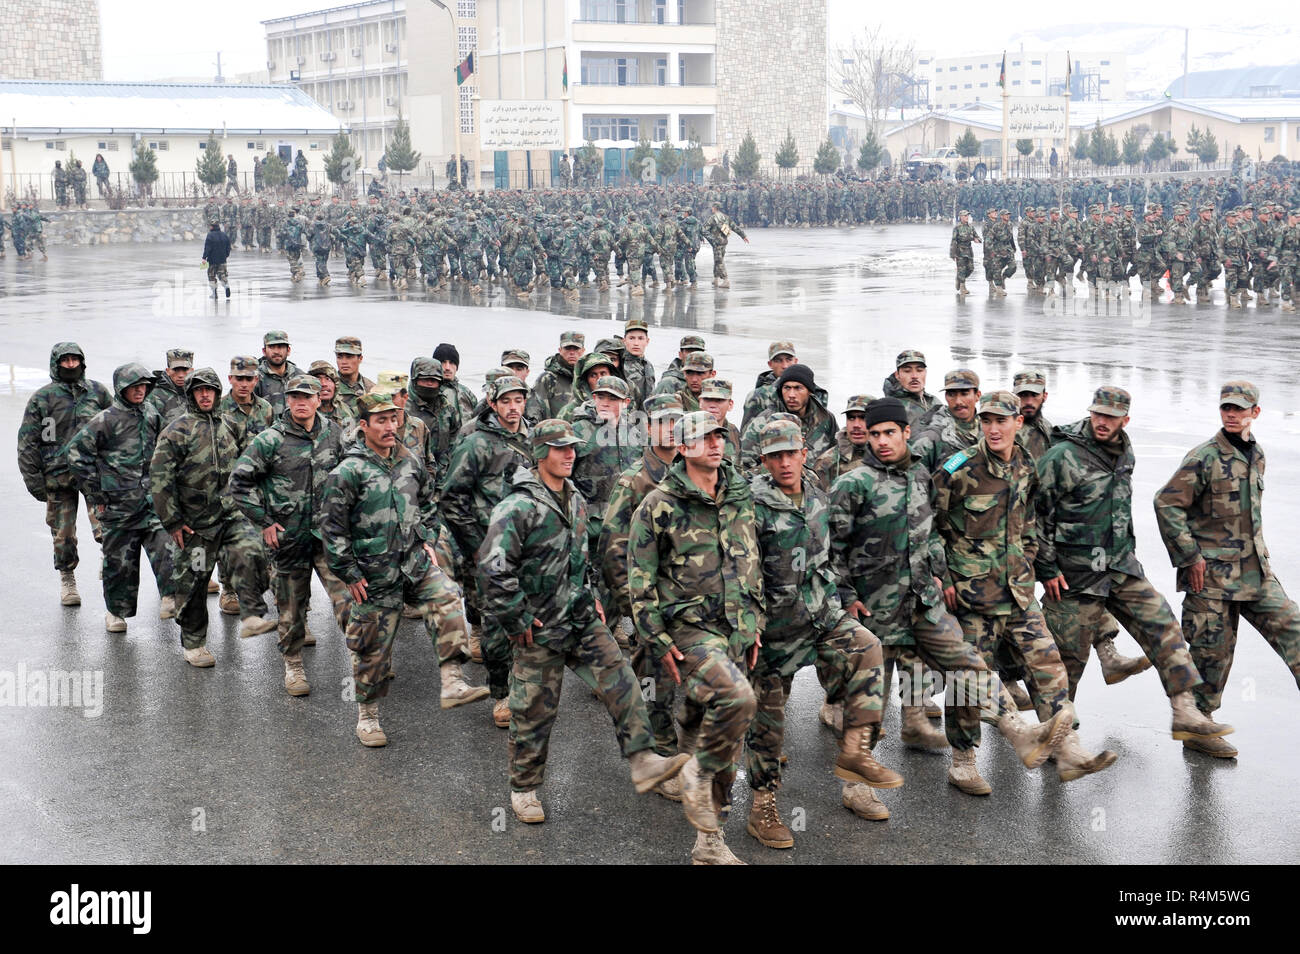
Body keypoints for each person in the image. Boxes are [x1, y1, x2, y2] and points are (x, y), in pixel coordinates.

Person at [827, 397, 1071, 796]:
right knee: (869, 701)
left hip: (923, 603)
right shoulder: (854, 484)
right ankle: (857, 790)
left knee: (971, 665)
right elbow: (830, 548)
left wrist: (941, 575)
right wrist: (845, 595)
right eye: (874, 434)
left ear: (907, 433)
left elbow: (933, 534)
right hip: (874, 610)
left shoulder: (922, 477)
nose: (882, 441)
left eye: (890, 432)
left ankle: (1020, 733)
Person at [479, 418, 689, 823]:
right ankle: (525, 789)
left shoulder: (573, 496)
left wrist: (590, 595)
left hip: (580, 618)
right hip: (539, 628)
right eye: (559, 448)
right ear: (540, 453)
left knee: (623, 681)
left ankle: (644, 759)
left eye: (572, 447)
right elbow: (492, 570)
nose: (570, 454)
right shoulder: (517, 506)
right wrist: (516, 616)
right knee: (534, 713)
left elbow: (580, 558)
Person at [932, 391, 1118, 786]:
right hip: (972, 594)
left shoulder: (1025, 465)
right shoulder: (958, 469)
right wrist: (944, 577)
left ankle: (1067, 748)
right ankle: (963, 759)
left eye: (1002, 421)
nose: (994, 429)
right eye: (987, 421)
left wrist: (1029, 556)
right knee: (970, 679)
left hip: (1017, 589)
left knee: (1049, 665)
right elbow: (928, 527)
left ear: (1019, 422)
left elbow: (1028, 519)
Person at [1035, 386, 1235, 743]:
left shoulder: (1124, 450)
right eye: (1098, 414)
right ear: (1090, 413)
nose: (1102, 422)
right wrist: (1047, 568)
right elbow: (1034, 515)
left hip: (1121, 569)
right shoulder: (1062, 456)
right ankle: (1060, 741)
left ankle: (1185, 711)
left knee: (1163, 625)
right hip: (1075, 576)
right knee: (1066, 662)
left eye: (1111, 417)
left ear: (1125, 420)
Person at [746, 418, 903, 844]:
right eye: (774, 456)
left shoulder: (817, 494)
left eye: (790, 453)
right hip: (774, 629)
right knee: (768, 726)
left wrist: (843, 594)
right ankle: (762, 805)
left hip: (820, 616)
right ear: (764, 460)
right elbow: (740, 572)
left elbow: (829, 555)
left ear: (803, 453)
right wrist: (746, 627)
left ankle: (856, 758)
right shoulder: (750, 504)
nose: (784, 463)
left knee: (868, 648)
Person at [627, 411, 764, 865]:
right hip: (689, 632)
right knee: (738, 701)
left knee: (726, 732)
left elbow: (751, 563)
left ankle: (708, 841)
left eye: (718, 436)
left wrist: (754, 623)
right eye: (703, 438)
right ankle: (697, 775)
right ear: (682, 447)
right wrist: (657, 640)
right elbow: (639, 582)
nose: (715, 444)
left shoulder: (738, 495)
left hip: (736, 633)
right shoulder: (658, 505)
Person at [321, 392, 488, 746]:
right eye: (380, 420)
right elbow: (332, 529)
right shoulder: (348, 472)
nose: (389, 426)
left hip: (414, 563)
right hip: (374, 575)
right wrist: (349, 574)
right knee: (372, 651)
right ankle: (368, 717)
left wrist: (427, 535)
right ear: (363, 425)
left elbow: (429, 501)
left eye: (393, 419)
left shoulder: (409, 461)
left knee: (446, 597)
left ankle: (452, 680)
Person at [1154, 381, 1300, 759]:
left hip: (1255, 574)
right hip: (1212, 580)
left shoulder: (1257, 455)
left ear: (1255, 412)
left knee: (1294, 630)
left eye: (1239, 408)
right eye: (1226, 408)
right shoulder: (1203, 457)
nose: (1231, 414)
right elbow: (1167, 503)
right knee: (1211, 658)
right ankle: (1199, 728)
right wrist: (1190, 557)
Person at [227, 375, 352, 697]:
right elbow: (239, 482)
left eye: (306, 396)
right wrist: (264, 521)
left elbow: (351, 475)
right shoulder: (270, 440)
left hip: (329, 537)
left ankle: (363, 656)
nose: (300, 401)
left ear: (317, 400)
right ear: (288, 400)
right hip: (288, 539)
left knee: (350, 600)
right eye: (294, 396)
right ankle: (293, 664)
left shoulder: (335, 434)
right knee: (292, 609)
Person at [151, 368, 276, 666]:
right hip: (195, 525)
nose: (205, 395)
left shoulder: (230, 425)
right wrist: (172, 522)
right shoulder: (176, 431)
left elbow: (249, 465)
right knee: (193, 584)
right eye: (199, 390)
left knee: (252, 553)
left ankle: (252, 614)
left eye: (210, 390)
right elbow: (160, 479)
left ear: (217, 393)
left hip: (231, 516)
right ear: (191, 394)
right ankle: (194, 643)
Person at [441, 375, 535, 725]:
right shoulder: (476, 443)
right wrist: (477, 546)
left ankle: (527, 686)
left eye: (519, 400)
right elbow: (452, 499)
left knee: (530, 619)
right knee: (496, 627)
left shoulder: (533, 438)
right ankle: (502, 694)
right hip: (491, 550)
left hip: (529, 546)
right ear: (493, 404)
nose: (513, 408)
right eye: (506, 401)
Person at [66, 364, 178, 633]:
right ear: (121, 389)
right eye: (134, 386)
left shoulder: (151, 413)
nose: (140, 391)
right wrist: (96, 492)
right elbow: (76, 454)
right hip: (118, 506)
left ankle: (170, 597)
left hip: (151, 502)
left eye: (143, 386)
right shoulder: (106, 420)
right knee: (119, 564)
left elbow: (165, 448)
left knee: (167, 549)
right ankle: (116, 612)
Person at [17, 343, 112, 607]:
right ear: (56, 363)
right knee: (64, 535)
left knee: (107, 525)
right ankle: (67, 578)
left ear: (82, 362)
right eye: (65, 361)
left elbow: (118, 427)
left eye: (74, 360)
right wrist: (33, 480)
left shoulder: (97, 392)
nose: (70, 365)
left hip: (95, 474)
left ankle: (111, 564)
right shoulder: (42, 399)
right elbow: (27, 442)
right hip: (57, 477)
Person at [525, 331, 585, 422]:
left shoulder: (588, 378)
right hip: (555, 432)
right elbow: (535, 411)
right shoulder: (547, 379)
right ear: (560, 350)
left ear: (583, 351)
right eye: (567, 348)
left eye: (576, 349)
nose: (572, 352)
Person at [254, 330, 302, 417]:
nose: (276, 351)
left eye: (280, 347)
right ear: (264, 351)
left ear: (288, 350)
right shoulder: (255, 378)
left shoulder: (300, 377)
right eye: (272, 347)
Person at [704, 200, 749, 288]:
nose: (711, 209)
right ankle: (716, 278)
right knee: (718, 259)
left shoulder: (713, 218)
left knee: (719, 261)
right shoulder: (726, 217)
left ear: (714, 208)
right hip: (724, 241)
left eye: (712, 207)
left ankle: (726, 280)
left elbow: (705, 228)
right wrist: (743, 236)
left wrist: (702, 237)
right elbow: (734, 227)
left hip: (716, 242)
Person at [146, 349, 194, 427]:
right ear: (167, 371)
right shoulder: (154, 395)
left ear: (192, 370)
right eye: (175, 370)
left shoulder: (199, 393)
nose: (181, 375)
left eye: (185, 369)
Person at [950, 209, 980, 296]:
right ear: (961, 217)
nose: (967, 217)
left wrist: (976, 239)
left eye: (967, 216)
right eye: (965, 216)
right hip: (960, 251)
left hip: (969, 251)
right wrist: (952, 253)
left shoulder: (971, 227)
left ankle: (959, 278)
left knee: (971, 269)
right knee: (961, 269)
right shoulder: (957, 227)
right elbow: (954, 241)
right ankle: (963, 287)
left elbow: (977, 236)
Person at [202, 219, 232, 299]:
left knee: (211, 276)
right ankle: (226, 286)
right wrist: (226, 255)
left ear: (212, 227)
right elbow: (228, 247)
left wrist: (204, 258)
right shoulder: (224, 235)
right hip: (222, 259)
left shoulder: (210, 236)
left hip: (212, 260)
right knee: (222, 275)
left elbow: (207, 248)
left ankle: (214, 293)